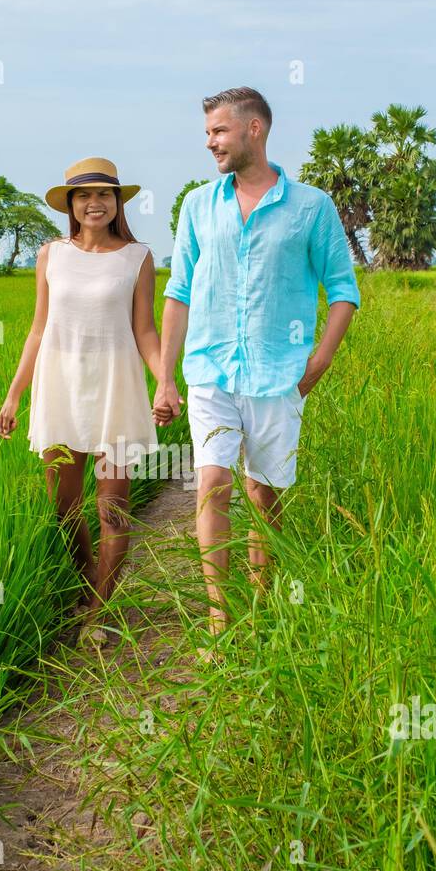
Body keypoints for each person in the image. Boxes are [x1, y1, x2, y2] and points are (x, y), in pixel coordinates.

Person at [152, 87, 360, 649]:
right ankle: (220, 616)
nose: (210, 143)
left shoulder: (311, 207)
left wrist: (320, 358)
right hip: (211, 372)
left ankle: (262, 605)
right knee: (212, 483)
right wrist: (166, 377)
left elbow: (343, 290)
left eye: (219, 131)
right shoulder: (198, 205)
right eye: (207, 134)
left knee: (265, 497)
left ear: (254, 130)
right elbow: (179, 292)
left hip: (277, 375)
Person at [0, 157, 162, 646]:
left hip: (116, 387)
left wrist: (165, 382)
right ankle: (90, 575)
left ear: (117, 203)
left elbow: (146, 330)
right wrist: (14, 394)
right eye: (84, 196)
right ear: (71, 204)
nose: (95, 203)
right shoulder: (51, 254)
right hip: (60, 387)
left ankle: (101, 611)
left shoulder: (137, 257)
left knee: (112, 508)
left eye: (104, 195)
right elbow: (37, 328)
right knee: (63, 506)